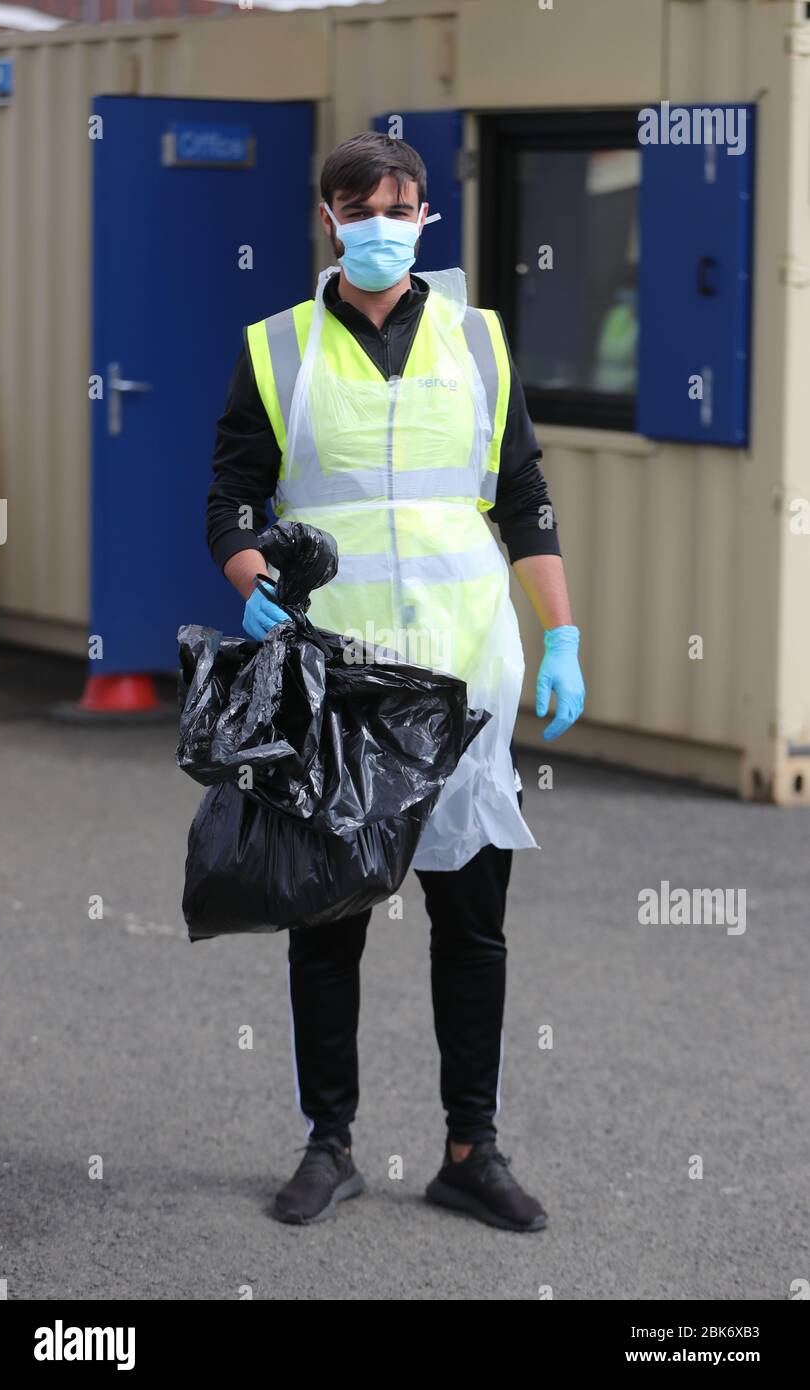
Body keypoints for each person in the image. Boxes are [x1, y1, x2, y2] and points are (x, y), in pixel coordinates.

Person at [206, 132, 585, 1232]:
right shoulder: (275, 348)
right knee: (326, 918)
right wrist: (250, 577)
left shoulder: (478, 341)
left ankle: (472, 1147)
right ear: (329, 217)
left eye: (401, 203)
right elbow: (231, 491)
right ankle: (329, 1144)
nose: (382, 220)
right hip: (333, 683)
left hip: (462, 669)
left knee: (470, 920)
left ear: (426, 216)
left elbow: (522, 493)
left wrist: (559, 631)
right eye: (360, 203)